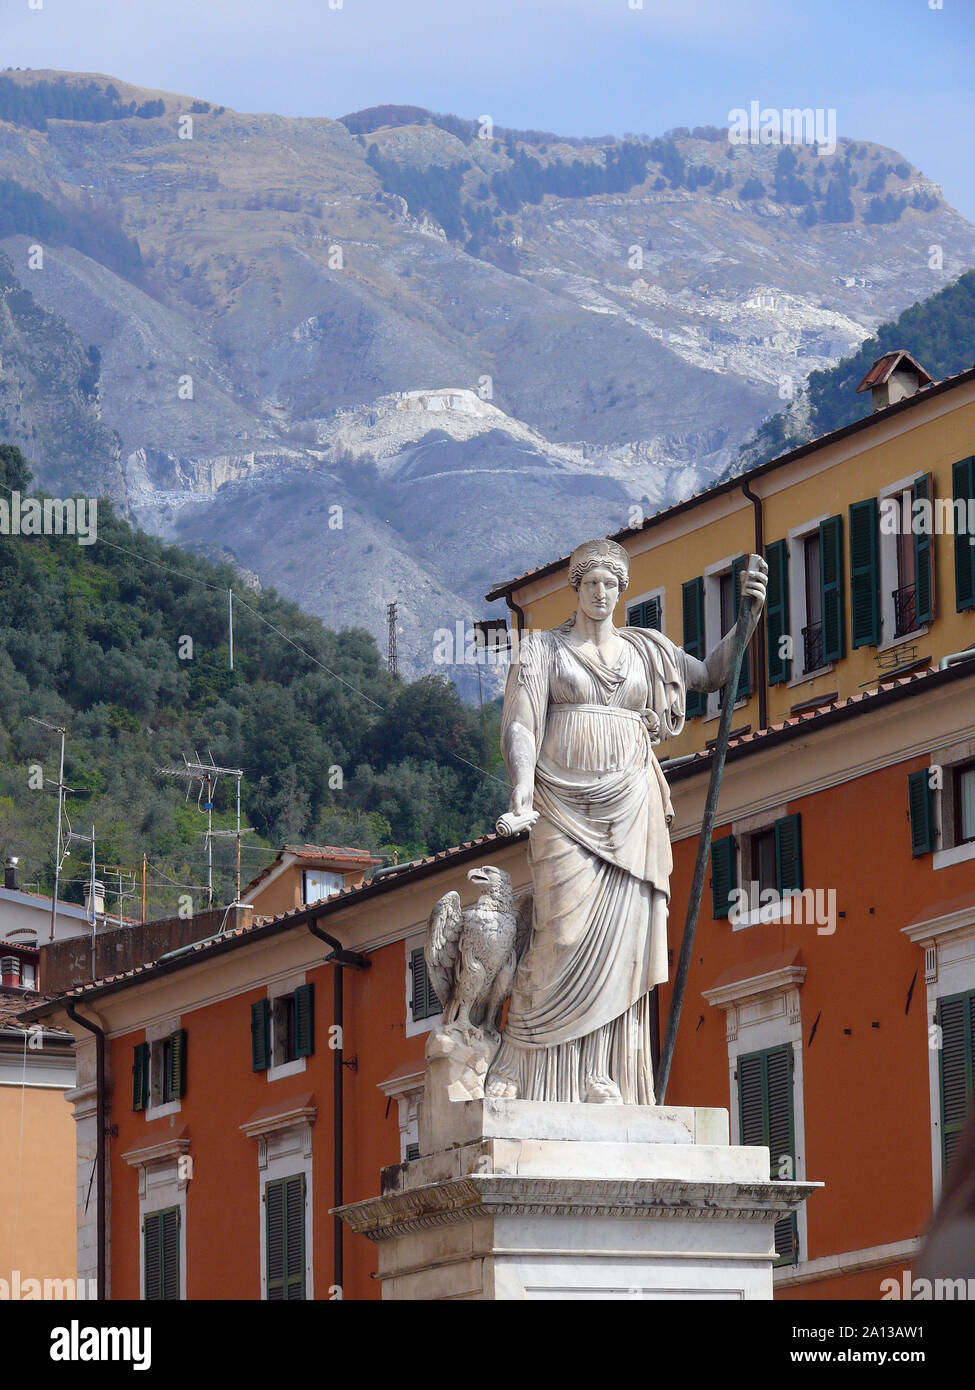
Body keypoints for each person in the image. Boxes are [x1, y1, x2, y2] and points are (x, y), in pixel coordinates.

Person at [486, 537, 767, 1104]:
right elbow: (521, 726)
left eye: (609, 583)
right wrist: (520, 793)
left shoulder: (648, 650)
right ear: (576, 589)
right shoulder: (541, 651)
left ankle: (604, 1074)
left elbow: (713, 674)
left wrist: (749, 618)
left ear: (621, 590)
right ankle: (523, 1065)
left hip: (633, 805)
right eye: (590, 583)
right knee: (559, 933)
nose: (599, 592)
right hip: (559, 805)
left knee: (625, 942)